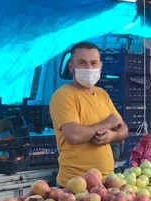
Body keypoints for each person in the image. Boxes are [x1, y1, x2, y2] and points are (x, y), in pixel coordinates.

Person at [49, 42, 128, 185]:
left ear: (101, 66)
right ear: (71, 67)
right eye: (82, 63)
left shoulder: (102, 95)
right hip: (75, 186)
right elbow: (74, 135)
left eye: (93, 63)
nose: (89, 68)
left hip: (106, 182)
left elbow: (123, 128)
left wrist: (113, 135)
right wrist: (106, 124)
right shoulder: (63, 95)